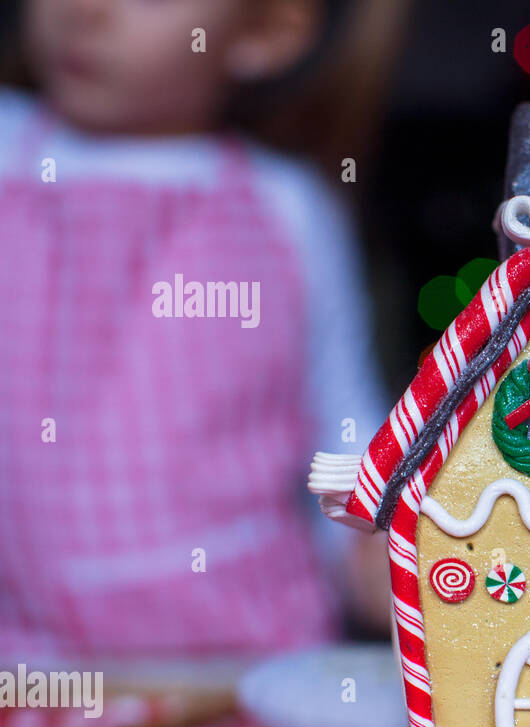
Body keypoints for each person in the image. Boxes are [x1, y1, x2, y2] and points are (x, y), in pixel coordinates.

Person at [0, 0, 403, 667]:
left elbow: (345, 435)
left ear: (267, 32)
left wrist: (380, 561)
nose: (83, 11)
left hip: (245, 671)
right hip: (30, 682)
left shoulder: (288, 210)